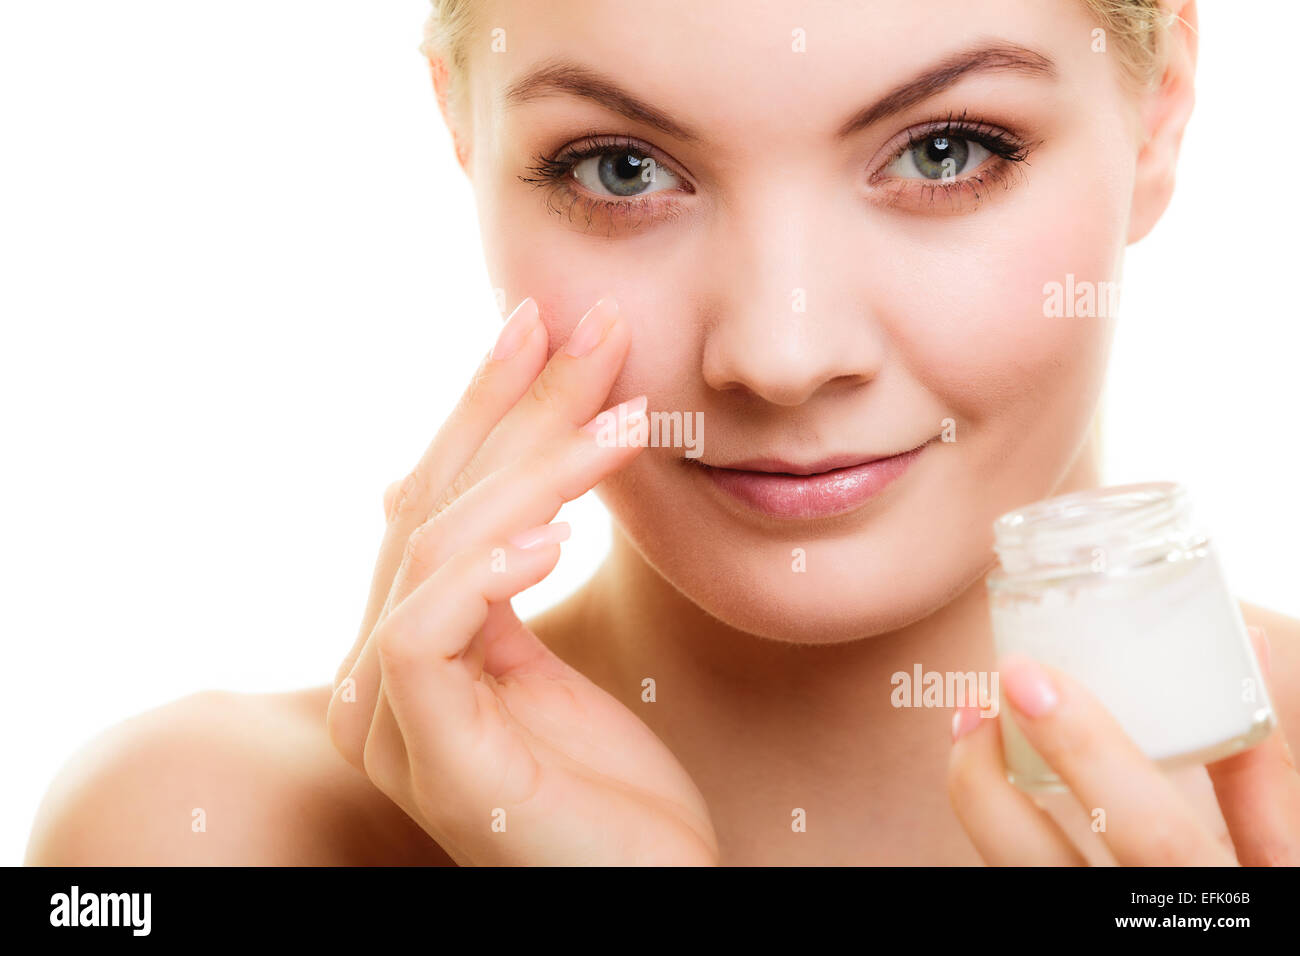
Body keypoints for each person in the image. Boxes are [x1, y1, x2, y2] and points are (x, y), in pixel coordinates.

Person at [25, 0, 1300, 866]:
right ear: (461, 134)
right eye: (621, 167)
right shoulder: (206, 833)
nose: (780, 355)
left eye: (944, 147)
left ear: (1159, 108)